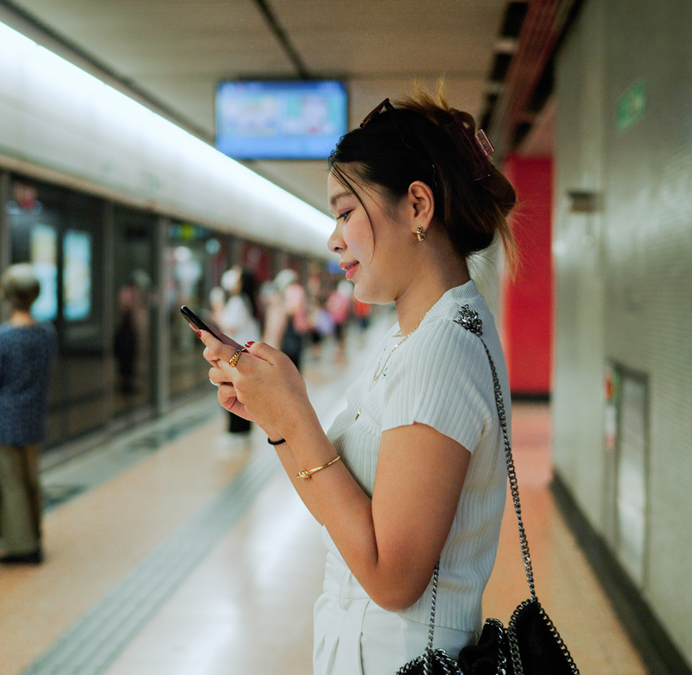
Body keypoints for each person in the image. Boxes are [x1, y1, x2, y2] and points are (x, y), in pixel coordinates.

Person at [199, 87, 518, 673]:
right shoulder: (415, 339)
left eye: (346, 211)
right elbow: (341, 510)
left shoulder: (441, 350)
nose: (334, 237)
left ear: (417, 207)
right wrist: (276, 420)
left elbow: (392, 579)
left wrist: (295, 413)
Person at [0, 264, 57, 565]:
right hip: (33, 418)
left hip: (3, 421)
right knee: (31, 482)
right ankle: (34, 536)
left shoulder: (1, 336)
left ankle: (21, 548)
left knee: (11, 486)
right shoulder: (46, 333)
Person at [217, 267, 259, 437]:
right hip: (244, 354)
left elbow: (231, 327)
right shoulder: (247, 301)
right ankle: (242, 429)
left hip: (235, 356)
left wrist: (217, 309)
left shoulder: (237, 302)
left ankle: (236, 430)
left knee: (233, 391)